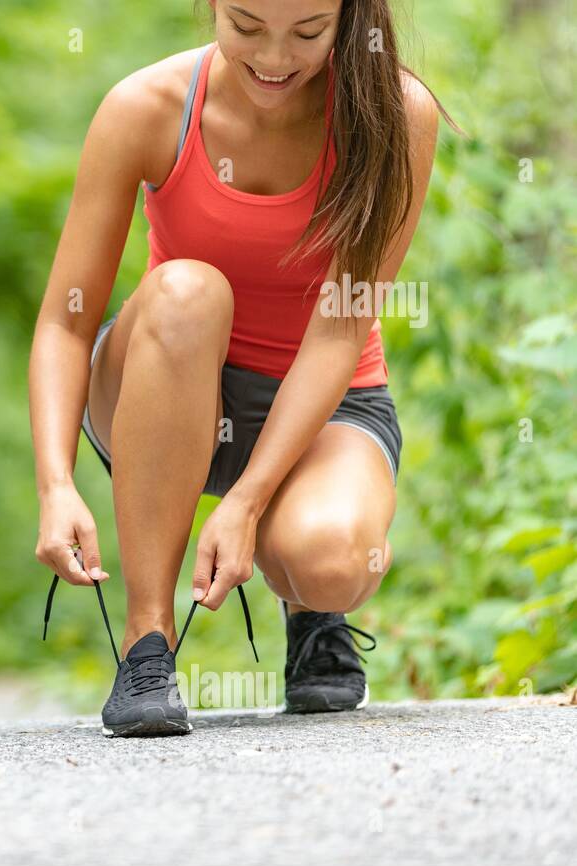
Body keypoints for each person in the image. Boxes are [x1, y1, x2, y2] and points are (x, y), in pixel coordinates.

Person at [30, 0, 456, 736]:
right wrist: (56, 483)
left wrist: (250, 499)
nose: (276, 57)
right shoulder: (145, 107)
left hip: (323, 399)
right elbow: (65, 323)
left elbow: (337, 332)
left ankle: (312, 610)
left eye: (309, 32)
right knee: (189, 291)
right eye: (248, 26)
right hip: (163, 378)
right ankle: (146, 645)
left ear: (349, 17)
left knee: (331, 560)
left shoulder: (397, 114)